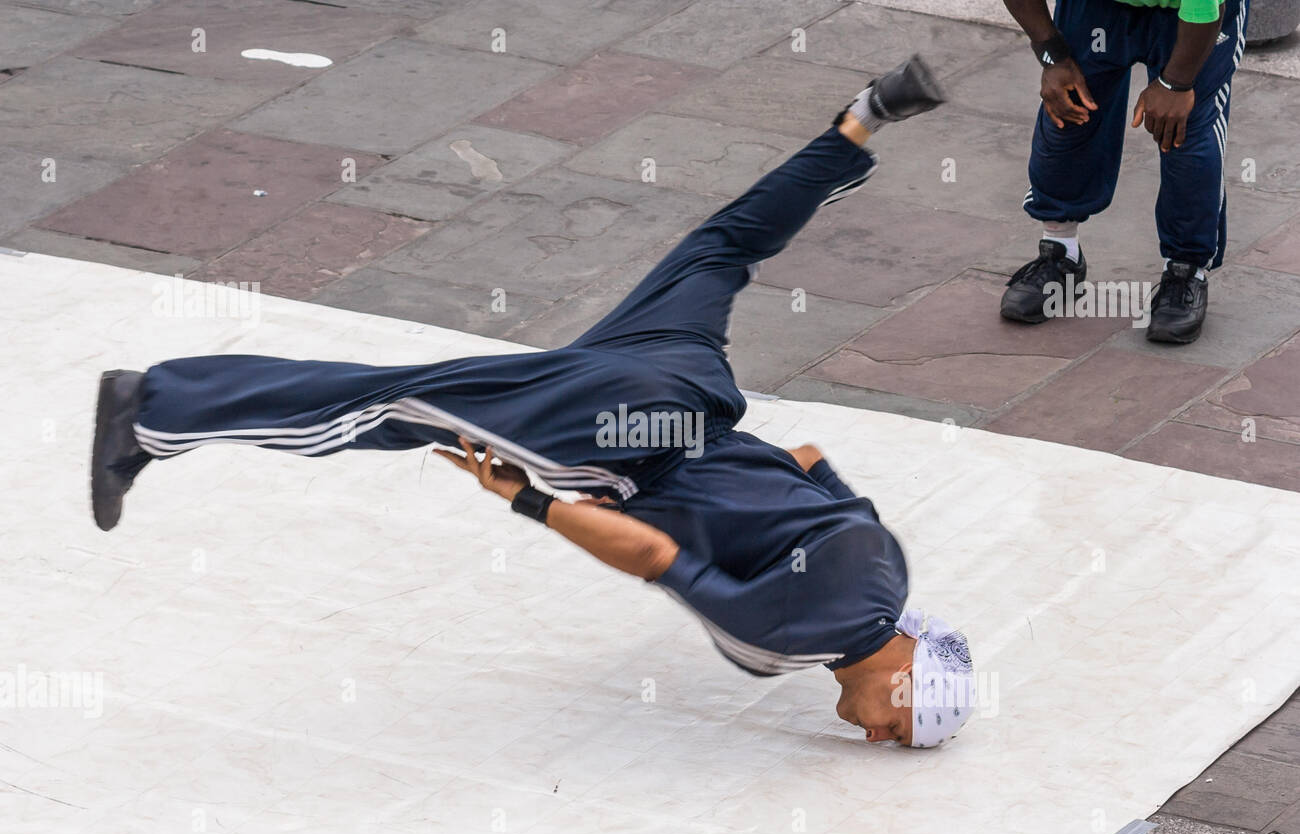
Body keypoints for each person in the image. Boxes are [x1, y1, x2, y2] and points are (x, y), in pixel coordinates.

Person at [90, 56, 976, 749]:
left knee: (721, 250)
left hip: (687, 389)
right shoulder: (795, 636)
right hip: (620, 442)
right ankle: (152, 409)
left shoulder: (891, 573)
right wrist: (528, 497)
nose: (869, 731)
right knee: (390, 409)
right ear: (906, 686)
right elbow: (649, 550)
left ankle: (861, 120)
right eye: (894, 726)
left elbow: (814, 463)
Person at [1000, 0, 1248, 342]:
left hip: (1196, 14)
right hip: (1098, 7)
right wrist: (1051, 56)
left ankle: (1186, 271)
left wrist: (1176, 84)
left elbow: (1204, 8)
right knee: (1068, 115)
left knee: (1187, 139)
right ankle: (1060, 252)